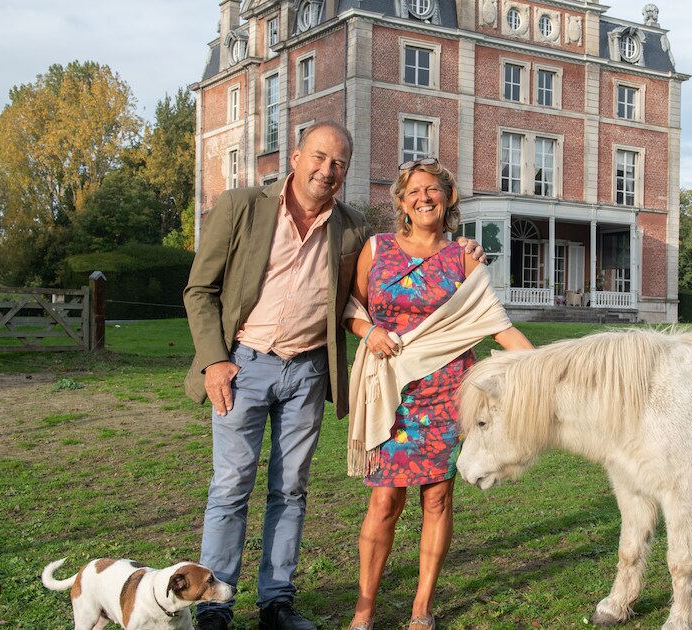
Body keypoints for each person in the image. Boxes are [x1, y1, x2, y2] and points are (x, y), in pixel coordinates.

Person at [183, 124, 485, 630]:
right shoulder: (241, 206)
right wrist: (215, 359)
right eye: (319, 158)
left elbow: (374, 286)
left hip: (307, 371)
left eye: (339, 163)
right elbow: (199, 289)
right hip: (245, 365)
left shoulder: (350, 227)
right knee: (231, 486)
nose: (327, 170)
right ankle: (215, 606)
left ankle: (276, 602)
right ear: (297, 157)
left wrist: (465, 253)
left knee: (292, 488)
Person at [344, 158, 533, 630]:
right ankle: (364, 609)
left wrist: (551, 368)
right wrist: (368, 332)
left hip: (449, 394)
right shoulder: (377, 248)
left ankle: (420, 608)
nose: (424, 197)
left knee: (437, 500)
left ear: (448, 198)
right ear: (402, 202)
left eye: (433, 189)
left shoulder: (464, 258)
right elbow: (351, 308)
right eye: (414, 191)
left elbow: (494, 324)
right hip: (391, 392)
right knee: (384, 500)